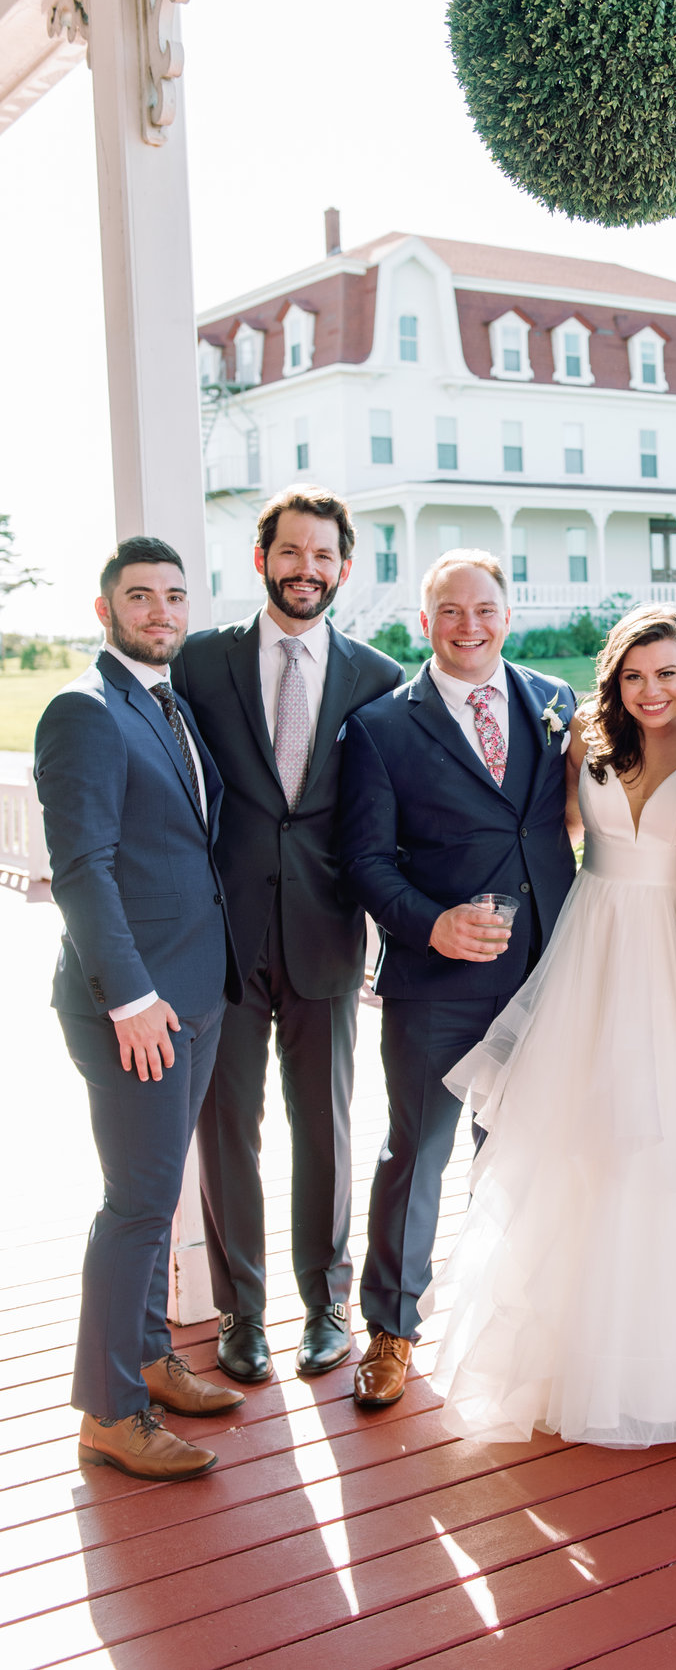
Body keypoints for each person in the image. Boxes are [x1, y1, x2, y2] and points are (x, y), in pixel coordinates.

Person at [421, 606, 676, 1483]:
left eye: (666, 673)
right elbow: (547, 832)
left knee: (668, 1139)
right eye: (634, 676)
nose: (651, 690)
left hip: (668, 948)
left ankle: (671, 1365)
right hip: (589, 947)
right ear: (614, 682)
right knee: (578, 1144)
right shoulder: (585, 733)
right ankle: (571, 1358)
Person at [172, 486, 403, 1385]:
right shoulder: (198, 665)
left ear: (344, 568)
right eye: (291, 552)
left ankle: (325, 1306)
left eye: (324, 556)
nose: (307, 569)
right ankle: (242, 1310)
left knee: (326, 1127)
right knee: (227, 1126)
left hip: (327, 933)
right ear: (261, 557)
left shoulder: (378, 680)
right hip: (219, 940)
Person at [338, 550, 577, 1408]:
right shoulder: (379, 728)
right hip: (434, 982)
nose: (468, 626)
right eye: (450, 611)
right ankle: (391, 1334)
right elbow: (362, 859)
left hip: (543, 972)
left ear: (507, 615)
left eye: (483, 609)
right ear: (424, 620)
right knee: (418, 1151)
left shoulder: (555, 703)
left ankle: (511, 1325)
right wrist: (430, 923)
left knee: (519, 1153)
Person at [34, 538, 244, 1481]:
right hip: (136, 1009)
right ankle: (109, 1412)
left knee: (158, 1198)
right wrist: (132, 1000)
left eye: (172, 596)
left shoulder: (167, 704)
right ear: (104, 607)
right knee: (136, 1205)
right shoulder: (82, 712)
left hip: (194, 991)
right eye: (139, 597)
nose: (159, 612)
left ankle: (152, 1359)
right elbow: (83, 871)